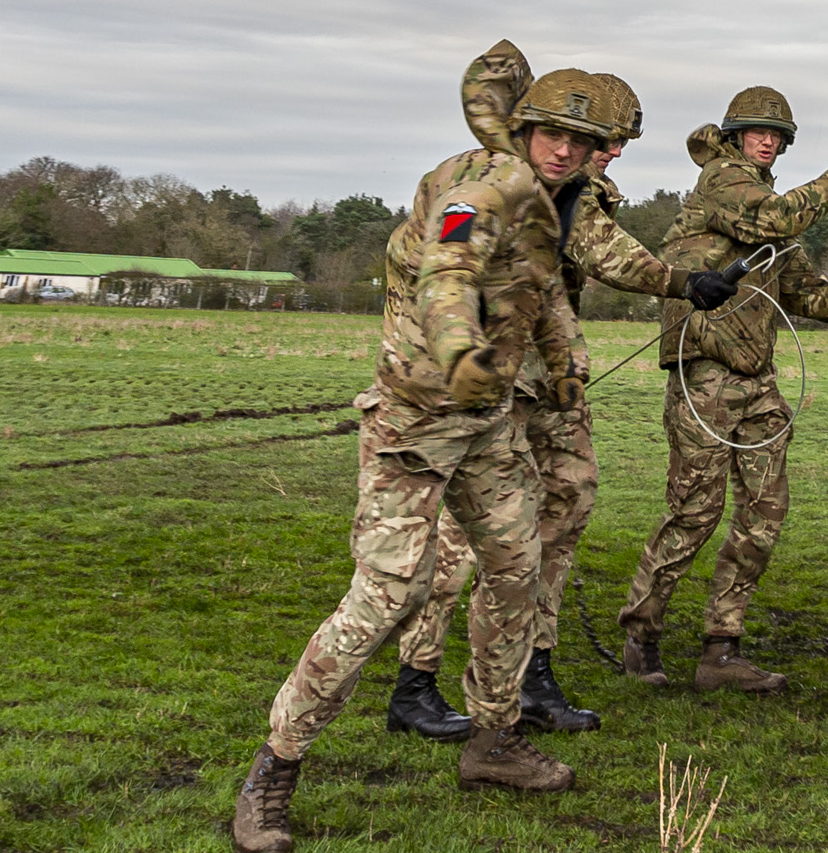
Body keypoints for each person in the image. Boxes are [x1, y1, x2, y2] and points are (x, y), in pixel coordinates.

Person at [230, 55, 594, 850]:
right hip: (416, 425)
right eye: (553, 134)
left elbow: (547, 295)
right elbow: (449, 269)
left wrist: (566, 366)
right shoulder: (476, 186)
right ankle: (276, 766)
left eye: (582, 141)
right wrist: (461, 350)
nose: (565, 151)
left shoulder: (545, 208)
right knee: (387, 595)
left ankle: (494, 741)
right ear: (524, 126)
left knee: (515, 571)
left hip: (490, 425)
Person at [390, 65, 723, 742]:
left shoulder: (579, 188)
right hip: (489, 379)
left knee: (567, 504)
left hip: (550, 381)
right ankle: (414, 682)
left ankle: (533, 673)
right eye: (606, 139)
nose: (610, 152)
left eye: (615, 140)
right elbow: (606, 256)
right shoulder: (510, 182)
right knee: (462, 537)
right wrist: (683, 280)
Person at [616, 85, 828, 693]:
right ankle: (641, 634)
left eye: (777, 136)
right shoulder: (725, 183)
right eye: (756, 132)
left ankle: (722, 649)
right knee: (694, 514)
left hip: (758, 382)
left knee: (763, 517)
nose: (768, 141)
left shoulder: (770, 209)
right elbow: (774, 218)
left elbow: (807, 292)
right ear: (733, 137)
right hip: (705, 379)